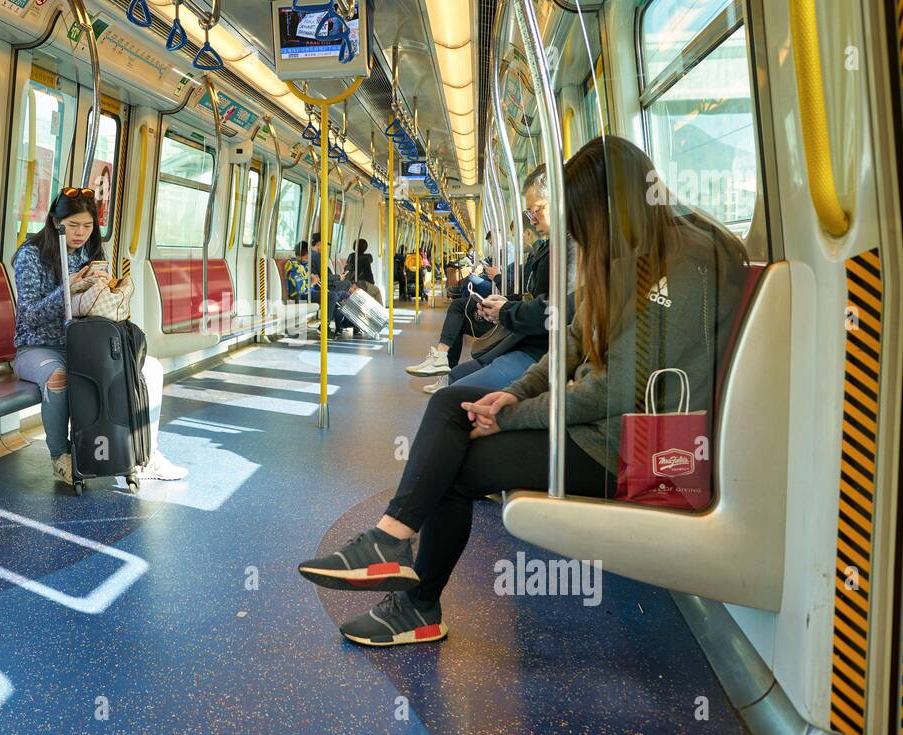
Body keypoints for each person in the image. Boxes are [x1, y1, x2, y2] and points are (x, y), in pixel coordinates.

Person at [298, 136, 746, 646]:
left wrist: (510, 416)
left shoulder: (683, 266)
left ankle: (414, 597)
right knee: (452, 403)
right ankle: (390, 545)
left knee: (458, 468)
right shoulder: (630, 255)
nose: (580, 239)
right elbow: (571, 345)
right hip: (602, 427)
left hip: (634, 449)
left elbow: (611, 393)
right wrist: (515, 393)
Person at [13, 188, 188, 486]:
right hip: (38, 347)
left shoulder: (89, 254)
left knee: (150, 370)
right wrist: (68, 289)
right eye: (74, 225)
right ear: (57, 223)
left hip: (85, 344)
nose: (82, 233)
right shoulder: (31, 255)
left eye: (88, 226)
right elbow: (29, 315)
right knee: (58, 376)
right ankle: (61, 456)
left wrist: (105, 289)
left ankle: (146, 453)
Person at [406, 164, 550, 385]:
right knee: (464, 299)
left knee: (463, 297)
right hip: (517, 314)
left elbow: (532, 299)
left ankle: (443, 361)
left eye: (535, 211)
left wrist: (501, 294)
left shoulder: (548, 253)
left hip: (525, 332)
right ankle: (443, 364)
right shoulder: (537, 254)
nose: (532, 219)